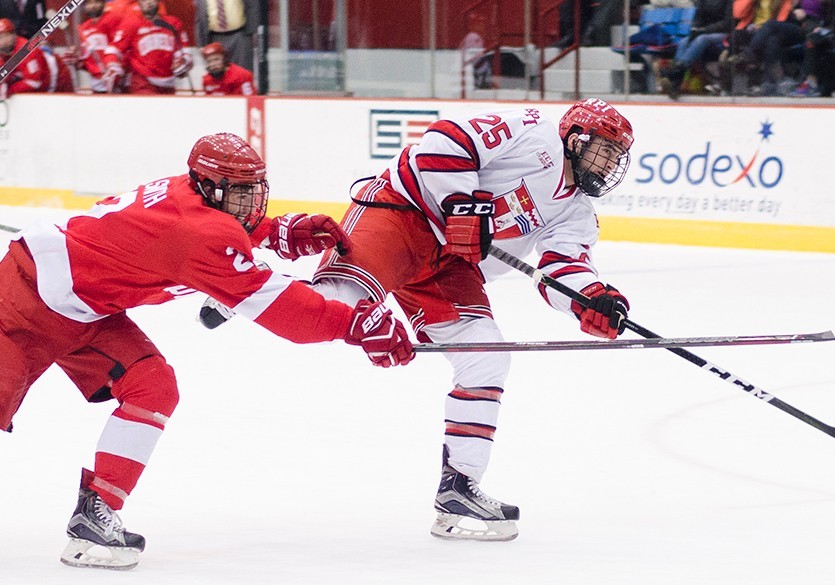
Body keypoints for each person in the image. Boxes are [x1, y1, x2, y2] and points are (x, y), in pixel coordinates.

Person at [0, 132, 414, 570]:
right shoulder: (199, 232)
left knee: (153, 387)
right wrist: (353, 323)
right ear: (209, 185)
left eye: (254, 189)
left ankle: (95, 514)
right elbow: (286, 312)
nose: (251, 202)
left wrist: (271, 233)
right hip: (20, 303)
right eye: (239, 191)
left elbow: (212, 235)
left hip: (84, 305)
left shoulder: (189, 194)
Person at [310, 99, 634, 542]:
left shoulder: (575, 212)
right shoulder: (533, 131)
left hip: (449, 265)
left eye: (617, 157)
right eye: (607, 151)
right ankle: (248, 289)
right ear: (577, 138)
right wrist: (461, 204)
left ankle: (458, 487)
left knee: (487, 358)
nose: (611, 164)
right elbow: (444, 140)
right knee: (337, 302)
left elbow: (563, 269)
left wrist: (590, 299)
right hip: (404, 212)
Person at [101, 0, 192, 94]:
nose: (148, 2)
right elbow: (114, 49)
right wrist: (112, 65)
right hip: (143, 82)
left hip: (169, 83)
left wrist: (184, 62)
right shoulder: (132, 23)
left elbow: (184, 51)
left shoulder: (173, 23)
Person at [787, 0, 835, 96]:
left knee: (813, 40)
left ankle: (811, 83)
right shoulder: (829, 5)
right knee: (813, 39)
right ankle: (809, 81)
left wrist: (823, 30)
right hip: (833, 34)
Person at [659, 0, 733, 97]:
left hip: (725, 34)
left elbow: (727, 23)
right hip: (704, 31)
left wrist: (705, 30)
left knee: (701, 39)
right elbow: (698, 19)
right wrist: (695, 29)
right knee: (684, 42)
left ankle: (674, 74)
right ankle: (674, 86)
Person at [63, 0, 124, 93]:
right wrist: (75, 60)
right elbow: (86, 60)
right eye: (90, 3)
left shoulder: (113, 19)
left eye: (96, 2)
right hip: (96, 82)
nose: (93, 6)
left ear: (104, 3)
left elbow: (120, 48)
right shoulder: (83, 28)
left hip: (115, 80)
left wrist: (116, 71)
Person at [0, 18, 61, 95]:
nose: (2, 41)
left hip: (59, 80)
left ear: (13, 35)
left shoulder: (26, 51)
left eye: (4, 36)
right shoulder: (3, 52)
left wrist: (8, 91)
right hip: (41, 88)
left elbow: (34, 82)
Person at [194, 0, 256, 72]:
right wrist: (201, 44)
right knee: (219, 75)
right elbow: (199, 18)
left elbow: (253, 5)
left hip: (240, 36)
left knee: (243, 72)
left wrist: (252, 31)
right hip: (214, 37)